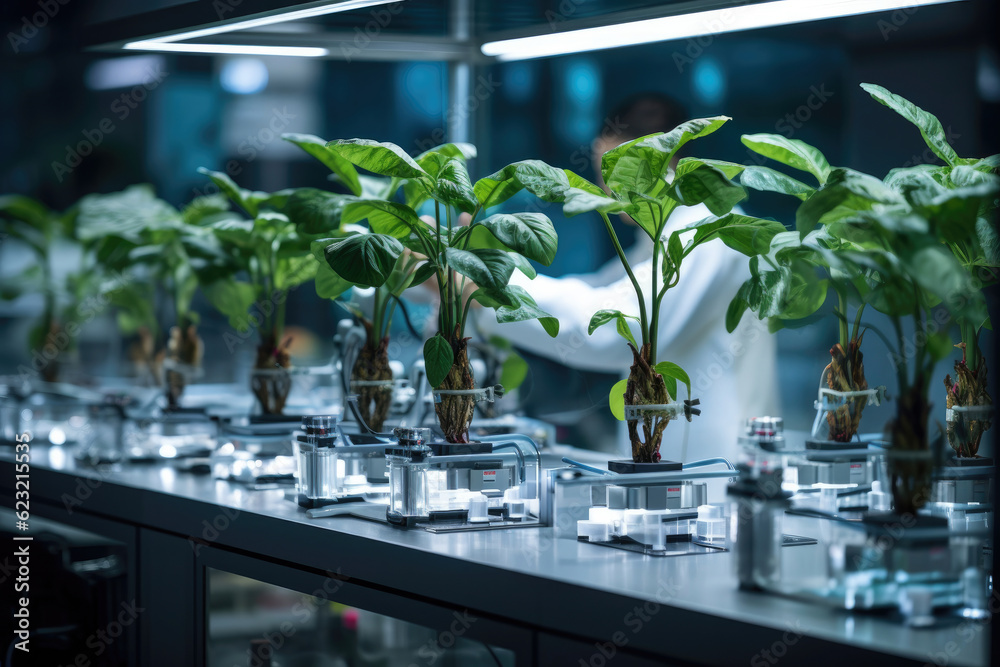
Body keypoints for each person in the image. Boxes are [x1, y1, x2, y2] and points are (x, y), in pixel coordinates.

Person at [475, 94, 780, 462]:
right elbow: (599, 291)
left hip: (714, 461)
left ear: (654, 158)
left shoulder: (705, 228)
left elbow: (616, 327)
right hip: (668, 454)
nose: (605, 187)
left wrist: (484, 285)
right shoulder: (660, 234)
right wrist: (483, 269)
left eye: (611, 169)